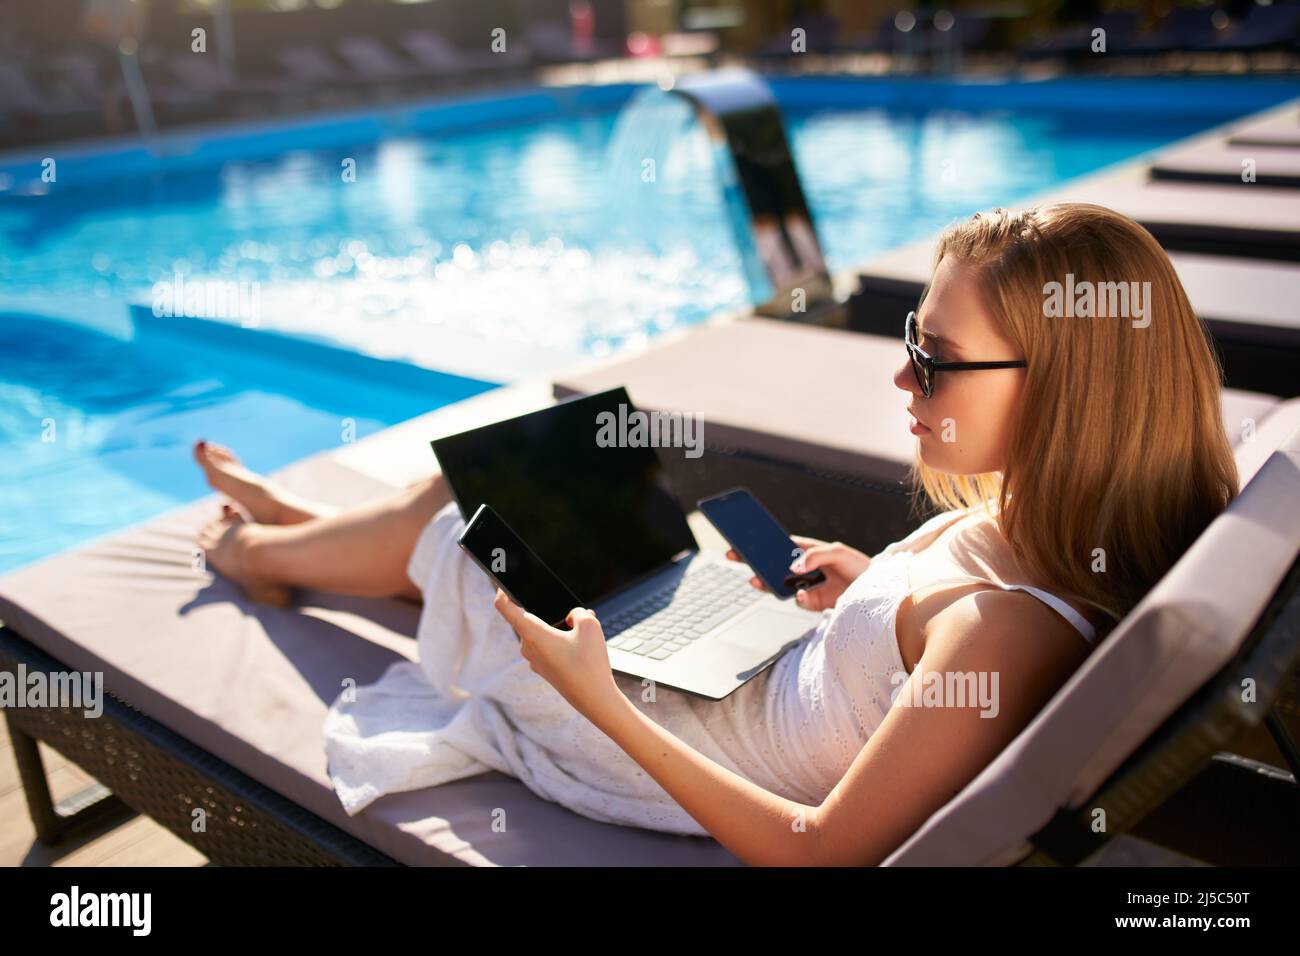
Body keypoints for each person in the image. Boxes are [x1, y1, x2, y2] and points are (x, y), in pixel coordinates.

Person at [193, 203, 1237, 865]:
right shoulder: (1037, 529)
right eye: (912, 338)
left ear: (1059, 393)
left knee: (465, 515)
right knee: (511, 486)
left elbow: (819, 850)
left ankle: (256, 551)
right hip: (747, 662)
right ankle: (308, 525)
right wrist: (862, 584)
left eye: (938, 355)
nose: (902, 374)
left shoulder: (1009, 635)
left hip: (648, 742)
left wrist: (595, 698)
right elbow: (930, 650)